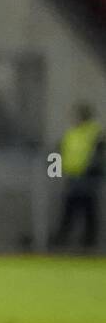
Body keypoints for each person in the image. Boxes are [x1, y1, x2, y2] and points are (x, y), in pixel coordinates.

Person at [52, 103, 103, 249]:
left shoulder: (94, 132)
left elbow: (98, 155)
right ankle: (64, 238)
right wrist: (54, 172)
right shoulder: (71, 133)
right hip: (72, 176)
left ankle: (89, 241)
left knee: (88, 208)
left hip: (88, 177)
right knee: (70, 208)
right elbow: (59, 151)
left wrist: (94, 171)